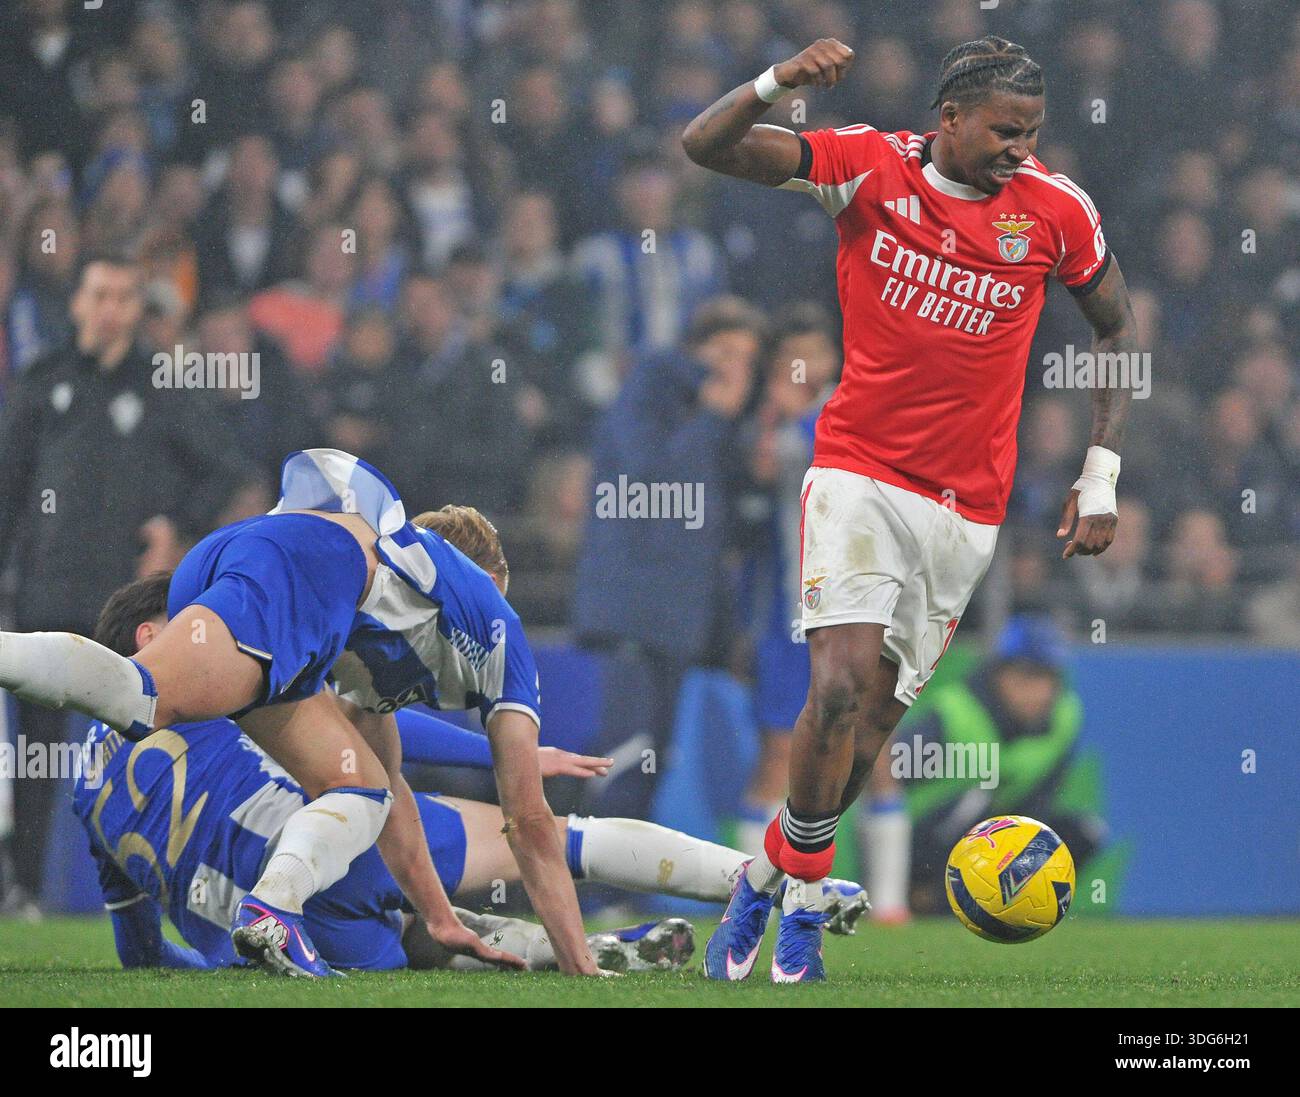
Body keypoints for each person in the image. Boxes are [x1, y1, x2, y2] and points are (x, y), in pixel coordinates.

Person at [682, 34, 1137, 981]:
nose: (1021, 148)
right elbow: (706, 146)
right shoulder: (866, 167)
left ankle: (767, 876)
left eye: (1033, 132)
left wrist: (1100, 474)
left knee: (872, 730)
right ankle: (805, 902)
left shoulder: (1056, 212)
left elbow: (1116, 326)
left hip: (968, 508)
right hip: (856, 471)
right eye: (1004, 132)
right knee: (837, 688)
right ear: (949, 120)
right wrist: (776, 83)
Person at [72, 570, 870, 973]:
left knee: (423, 936)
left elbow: (140, 955)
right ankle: (786, 880)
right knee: (555, 836)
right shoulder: (208, 682)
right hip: (327, 854)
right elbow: (359, 712)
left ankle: (572, 949)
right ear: (152, 635)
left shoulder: (85, 783)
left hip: (283, 939)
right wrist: (505, 750)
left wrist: (210, 969)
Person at [0, 448, 596, 976]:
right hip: (296, 563)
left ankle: (273, 908)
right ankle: (273, 906)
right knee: (142, 694)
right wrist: (580, 970)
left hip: (251, 557)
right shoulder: (493, 624)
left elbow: (387, 782)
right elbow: (530, 824)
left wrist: (439, 917)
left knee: (360, 790)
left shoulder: (387, 630)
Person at [0, 251, 255, 914]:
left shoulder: (164, 387)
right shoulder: (42, 380)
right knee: (37, 756)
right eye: (100, 294)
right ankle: (24, 888)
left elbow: (227, 468)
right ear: (79, 304)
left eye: (124, 296)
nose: (110, 308)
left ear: (138, 310)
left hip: (132, 609)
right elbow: (7, 488)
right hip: (46, 595)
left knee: (156, 743)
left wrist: (177, 523)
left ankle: (171, 888)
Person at [900, 616, 1107, 914]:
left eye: (1046, 678)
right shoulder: (955, 711)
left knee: (1086, 832)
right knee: (975, 801)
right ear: (998, 674)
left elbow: (1044, 797)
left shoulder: (1065, 716)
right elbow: (890, 781)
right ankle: (933, 903)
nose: (1037, 692)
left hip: (1006, 830)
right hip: (932, 837)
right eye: (1025, 677)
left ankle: (1018, 907)